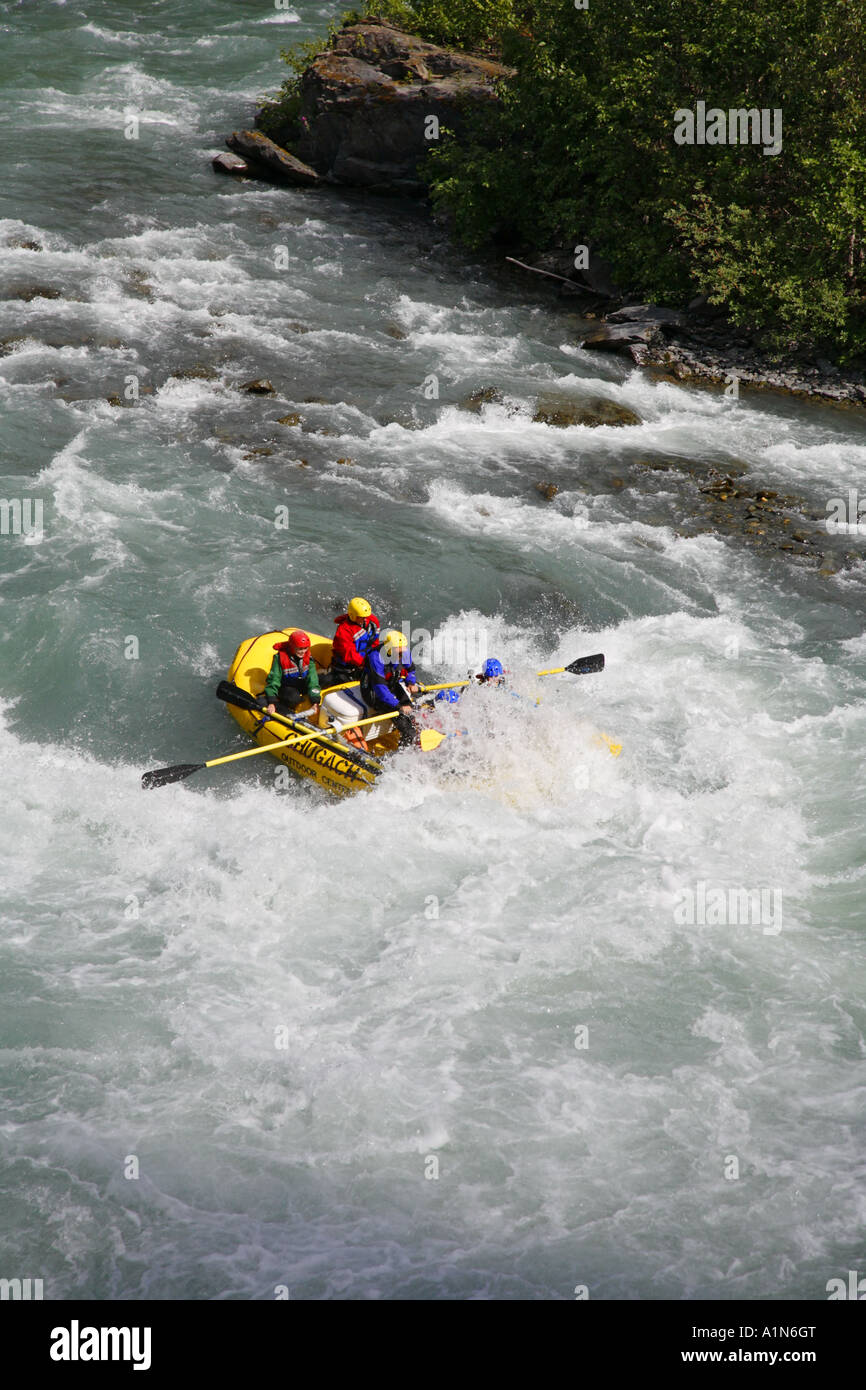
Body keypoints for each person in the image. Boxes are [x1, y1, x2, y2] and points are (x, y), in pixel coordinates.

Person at [360, 628, 420, 746]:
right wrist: (398, 706)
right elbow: (380, 688)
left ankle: (416, 731)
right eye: (400, 653)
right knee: (402, 716)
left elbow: (411, 670)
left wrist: (411, 682)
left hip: (392, 684)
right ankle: (407, 742)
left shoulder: (402, 651)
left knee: (411, 709)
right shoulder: (375, 657)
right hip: (373, 691)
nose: (403, 655)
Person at [259, 630, 321, 719]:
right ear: (292, 647)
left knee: (325, 680)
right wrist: (271, 702)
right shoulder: (279, 658)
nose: (303, 652)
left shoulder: (308, 657)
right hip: (285, 686)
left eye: (305, 648)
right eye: (300, 649)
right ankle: (280, 704)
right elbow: (274, 679)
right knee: (293, 698)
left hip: (300, 683)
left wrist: (315, 701)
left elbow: (313, 679)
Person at [324, 597, 380, 687]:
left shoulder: (373, 621)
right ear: (353, 616)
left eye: (365, 617)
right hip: (346, 668)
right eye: (361, 617)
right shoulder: (343, 631)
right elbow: (349, 654)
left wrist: (374, 659)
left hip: (364, 662)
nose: (365, 619)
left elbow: (375, 642)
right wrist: (366, 663)